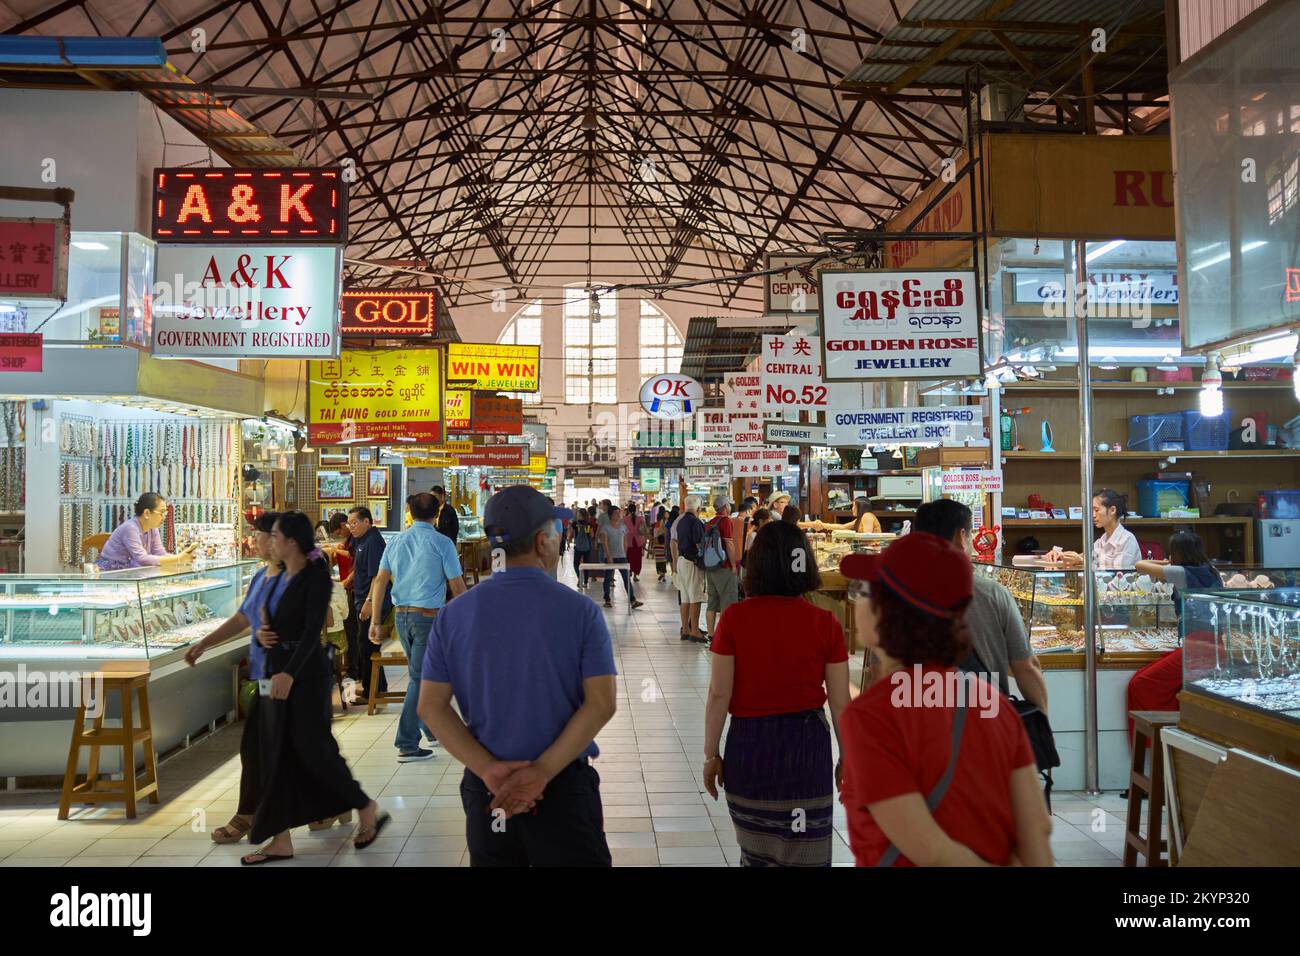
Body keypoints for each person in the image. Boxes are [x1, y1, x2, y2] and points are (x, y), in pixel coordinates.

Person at [417, 485, 618, 866]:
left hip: (490, 796)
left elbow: (431, 708)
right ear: (543, 542)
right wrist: (540, 773)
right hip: (562, 792)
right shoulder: (579, 612)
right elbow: (601, 704)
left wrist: (489, 770)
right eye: (557, 534)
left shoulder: (454, 615)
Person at [837, 533, 1053, 867]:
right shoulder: (994, 704)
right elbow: (1037, 829)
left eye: (862, 591)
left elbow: (934, 853)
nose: (856, 600)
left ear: (886, 612)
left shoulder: (871, 716)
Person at [243, 511, 390, 863]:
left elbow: (311, 632)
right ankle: (280, 838)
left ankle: (364, 806)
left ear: (291, 541)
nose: (267, 541)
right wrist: (260, 633)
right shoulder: (271, 577)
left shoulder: (314, 577)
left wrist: (290, 673)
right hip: (272, 674)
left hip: (304, 677)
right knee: (273, 752)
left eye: (274, 536)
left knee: (314, 750)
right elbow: (259, 618)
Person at [704, 520, 850, 866]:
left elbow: (719, 694)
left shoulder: (734, 620)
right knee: (807, 852)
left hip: (750, 749)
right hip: (806, 752)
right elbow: (841, 701)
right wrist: (848, 757)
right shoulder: (825, 623)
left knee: (756, 855)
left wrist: (711, 755)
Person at [184, 512, 282, 845]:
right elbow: (243, 618)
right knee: (261, 748)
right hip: (265, 677)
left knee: (267, 749)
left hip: (290, 678)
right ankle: (330, 805)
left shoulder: (295, 578)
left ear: (276, 539)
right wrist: (205, 642)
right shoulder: (259, 578)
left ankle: (251, 815)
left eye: (258, 535)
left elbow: (317, 621)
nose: (252, 541)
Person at [913, 499, 1048, 712]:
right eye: (971, 534)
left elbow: (880, 672)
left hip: (920, 725)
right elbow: (1026, 667)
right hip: (985, 722)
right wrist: (1043, 730)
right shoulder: (992, 594)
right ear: (961, 537)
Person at [366, 492, 467, 763]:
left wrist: (376, 621)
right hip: (428, 619)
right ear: (439, 511)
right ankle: (407, 743)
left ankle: (429, 727)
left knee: (419, 676)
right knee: (420, 679)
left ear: (408, 510)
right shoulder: (442, 543)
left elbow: (380, 582)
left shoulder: (396, 541)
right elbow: (457, 586)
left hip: (402, 617)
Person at [1126, 531, 1222, 736]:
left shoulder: (1181, 573)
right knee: (1147, 679)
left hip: (1197, 647)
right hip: (1213, 642)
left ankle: (1155, 742)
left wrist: (1167, 562)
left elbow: (1139, 565)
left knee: (1140, 683)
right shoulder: (1212, 571)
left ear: (1178, 555)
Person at [347, 506, 390, 699]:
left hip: (370, 601)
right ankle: (376, 688)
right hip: (362, 598)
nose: (351, 527)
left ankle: (370, 690)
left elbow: (377, 576)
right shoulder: (361, 541)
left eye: (354, 523)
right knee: (365, 645)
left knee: (367, 646)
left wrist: (369, 602)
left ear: (367, 521)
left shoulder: (373, 541)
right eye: (349, 524)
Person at [96, 492, 197, 571]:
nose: (164, 517)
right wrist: (179, 558)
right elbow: (142, 559)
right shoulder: (130, 528)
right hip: (111, 573)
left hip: (131, 572)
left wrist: (183, 558)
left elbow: (160, 553)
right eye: (161, 513)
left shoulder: (153, 528)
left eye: (165, 513)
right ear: (147, 513)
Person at [1049, 489, 1140, 570]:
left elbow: (1117, 574)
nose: (1093, 515)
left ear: (1112, 510)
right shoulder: (1101, 540)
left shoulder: (1127, 539)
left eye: (1096, 510)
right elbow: (1084, 556)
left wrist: (1082, 561)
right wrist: (1060, 555)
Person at [703, 495, 740, 635]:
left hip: (711, 567)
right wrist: (734, 565)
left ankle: (711, 635)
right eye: (729, 505)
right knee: (728, 601)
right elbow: (729, 544)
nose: (730, 507)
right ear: (725, 507)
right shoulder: (726, 521)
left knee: (712, 602)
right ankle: (725, 637)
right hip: (724, 568)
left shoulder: (709, 522)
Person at [674, 495, 708, 643]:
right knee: (696, 597)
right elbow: (699, 544)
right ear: (698, 508)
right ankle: (695, 631)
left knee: (685, 597)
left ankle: (686, 630)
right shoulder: (696, 522)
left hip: (682, 561)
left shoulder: (680, 521)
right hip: (692, 562)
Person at [599, 505, 644, 610]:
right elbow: (604, 543)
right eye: (616, 513)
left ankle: (632, 600)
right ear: (610, 515)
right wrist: (608, 556)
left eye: (619, 513)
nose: (618, 515)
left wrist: (625, 553)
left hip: (621, 556)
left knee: (626, 578)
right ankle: (607, 599)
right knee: (608, 578)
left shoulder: (623, 526)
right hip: (610, 557)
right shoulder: (606, 528)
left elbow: (624, 541)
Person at [811, 496, 882, 535]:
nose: (852, 509)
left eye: (854, 506)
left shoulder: (867, 516)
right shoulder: (859, 519)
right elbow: (842, 527)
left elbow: (867, 536)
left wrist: (849, 535)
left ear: (861, 507)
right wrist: (823, 525)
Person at [570, 507, 593, 587]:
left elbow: (572, 534)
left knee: (576, 563)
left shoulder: (575, 523)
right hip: (587, 546)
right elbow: (591, 535)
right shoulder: (588, 524)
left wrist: (569, 540)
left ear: (580, 514)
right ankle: (586, 582)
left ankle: (580, 578)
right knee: (586, 564)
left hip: (578, 547)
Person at [625, 502, 645, 581]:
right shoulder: (640, 518)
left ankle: (629, 572)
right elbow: (644, 530)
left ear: (628, 510)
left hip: (628, 542)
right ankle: (635, 576)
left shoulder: (624, 519)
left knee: (629, 558)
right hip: (638, 542)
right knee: (637, 559)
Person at [651, 509, 669, 582]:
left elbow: (655, 537)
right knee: (663, 566)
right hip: (663, 558)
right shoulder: (664, 523)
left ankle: (661, 574)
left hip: (658, 559)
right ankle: (664, 576)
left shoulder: (656, 525)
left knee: (659, 567)